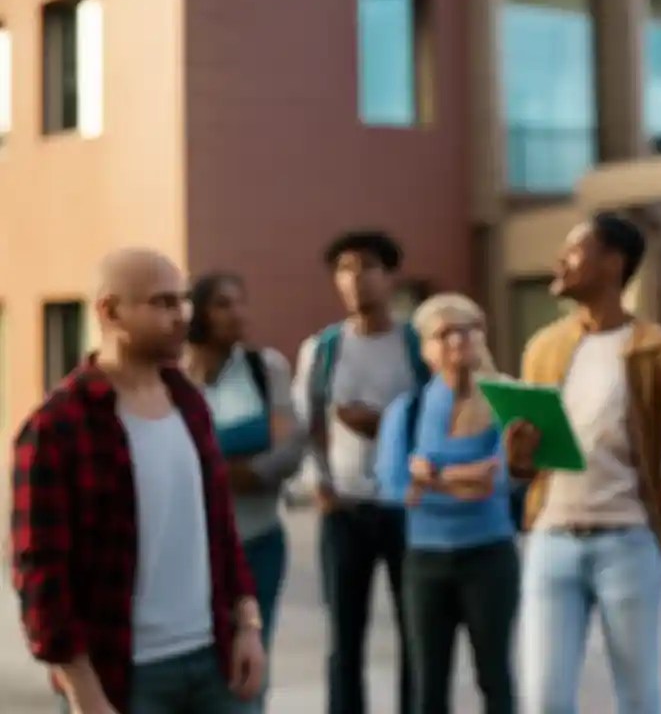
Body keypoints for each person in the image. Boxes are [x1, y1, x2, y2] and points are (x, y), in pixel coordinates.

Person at [10, 248, 266, 714]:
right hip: (124, 674)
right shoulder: (58, 425)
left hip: (215, 660)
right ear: (110, 311)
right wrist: (81, 689)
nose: (182, 317)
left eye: (183, 301)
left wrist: (247, 624)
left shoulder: (189, 402)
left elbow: (220, 527)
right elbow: (40, 571)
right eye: (163, 303)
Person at [506, 213, 661, 714]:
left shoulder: (659, 351)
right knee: (542, 700)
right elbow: (530, 465)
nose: (561, 261)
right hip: (552, 538)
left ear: (613, 263)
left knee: (637, 697)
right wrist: (519, 457)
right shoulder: (543, 348)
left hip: (628, 542)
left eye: (575, 250)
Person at [294, 230, 431, 714]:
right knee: (344, 638)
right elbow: (305, 421)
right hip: (345, 507)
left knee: (417, 633)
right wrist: (320, 485)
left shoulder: (417, 344)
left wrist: (382, 424)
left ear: (390, 276)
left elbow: (438, 417)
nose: (356, 279)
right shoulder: (323, 349)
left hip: (407, 508)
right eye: (345, 269)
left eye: (368, 266)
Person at [375, 293, 520, 714]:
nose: (458, 340)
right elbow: (395, 489)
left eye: (469, 329)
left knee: (495, 679)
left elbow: (496, 480)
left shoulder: (503, 402)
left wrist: (433, 476)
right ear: (425, 349)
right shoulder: (407, 410)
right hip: (425, 563)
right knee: (428, 686)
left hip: (489, 557)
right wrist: (463, 477)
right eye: (444, 333)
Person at [185, 272, 306, 711]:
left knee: (250, 661)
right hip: (192, 549)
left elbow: (290, 444)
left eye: (241, 302)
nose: (237, 313)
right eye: (222, 303)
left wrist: (250, 473)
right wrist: (218, 471)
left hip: (258, 540)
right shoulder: (175, 377)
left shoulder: (264, 367)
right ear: (197, 311)